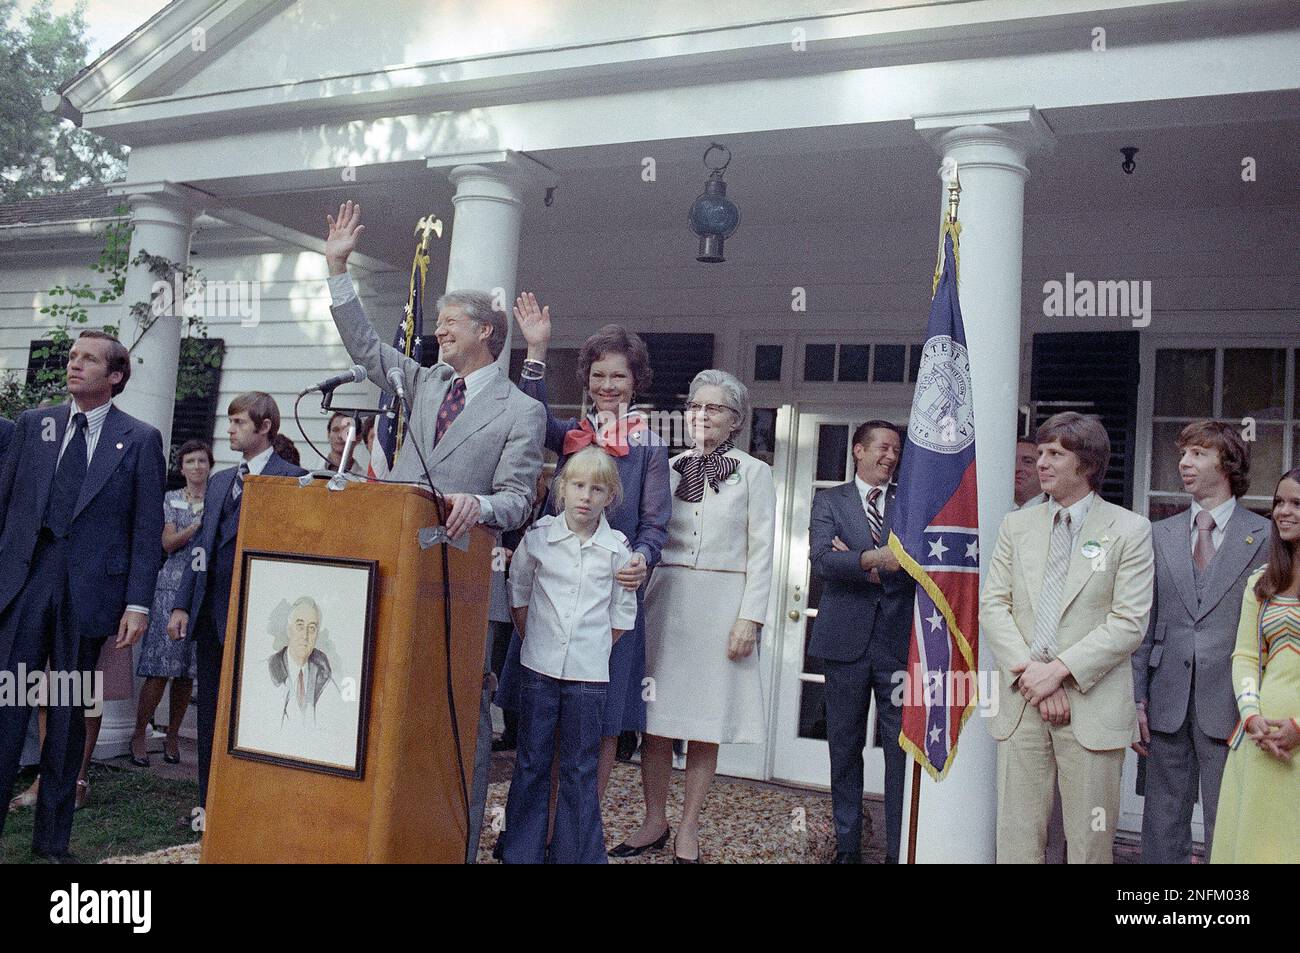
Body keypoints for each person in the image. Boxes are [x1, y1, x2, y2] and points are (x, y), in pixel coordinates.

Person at [322, 200, 545, 863]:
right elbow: (364, 345)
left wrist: (478, 504)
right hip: (390, 569)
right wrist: (337, 267)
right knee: (380, 699)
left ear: (485, 332)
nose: (439, 329)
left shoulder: (521, 411)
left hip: (458, 585)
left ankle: (455, 840)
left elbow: (516, 501)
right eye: (439, 320)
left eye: (451, 321)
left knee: (455, 718)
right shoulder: (419, 382)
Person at [0, 329, 165, 862]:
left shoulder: (139, 439)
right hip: (26, 585)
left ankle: (51, 843)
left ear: (114, 376)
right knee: (7, 709)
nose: (74, 366)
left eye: (88, 360)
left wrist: (138, 604)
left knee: (68, 718)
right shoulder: (35, 424)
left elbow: (146, 530)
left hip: (88, 597)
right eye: (72, 357)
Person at [505, 293, 671, 802]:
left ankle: (580, 825)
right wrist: (536, 350)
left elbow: (655, 524)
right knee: (543, 713)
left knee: (601, 722)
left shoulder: (650, 442)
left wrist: (643, 558)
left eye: (617, 376)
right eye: (598, 376)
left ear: (635, 381)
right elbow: (528, 415)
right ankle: (541, 820)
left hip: (611, 597)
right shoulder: (571, 435)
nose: (607, 386)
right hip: (556, 589)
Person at [980, 411, 1154, 864]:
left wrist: (1058, 673)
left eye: (1056, 454)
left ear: (1088, 465)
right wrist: (1032, 677)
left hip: (1092, 707)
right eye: (1040, 453)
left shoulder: (1129, 530)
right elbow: (993, 606)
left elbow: (1128, 622)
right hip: (1023, 703)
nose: (1041, 463)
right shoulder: (1016, 527)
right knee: (1017, 839)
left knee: (1089, 843)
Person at [629, 370, 775, 863]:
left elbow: (763, 552)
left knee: (705, 720)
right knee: (656, 718)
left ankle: (688, 827)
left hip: (723, 602)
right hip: (666, 600)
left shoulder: (755, 472)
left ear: (734, 421)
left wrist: (750, 618)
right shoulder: (664, 467)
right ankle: (654, 819)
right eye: (695, 406)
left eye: (713, 408)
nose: (702, 415)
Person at [1132, 421, 1269, 863]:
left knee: (1227, 822)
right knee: (1161, 825)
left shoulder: (1265, 538)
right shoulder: (1159, 533)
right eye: (1183, 454)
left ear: (1226, 463)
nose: (1184, 463)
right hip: (1165, 699)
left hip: (1232, 706)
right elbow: (1143, 624)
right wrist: (1136, 699)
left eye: (1197, 454)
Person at [168, 393, 306, 811]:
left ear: (265, 427)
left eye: (239, 422)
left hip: (261, 622)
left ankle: (252, 807)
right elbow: (201, 550)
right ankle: (209, 807)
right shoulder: (222, 481)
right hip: (211, 617)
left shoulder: (293, 479)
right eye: (229, 422)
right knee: (210, 713)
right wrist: (182, 605)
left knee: (258, 716)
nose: (229, 430)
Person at [503, 447, 638, 864]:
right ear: (562, 490)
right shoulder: (539, 538)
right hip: (538, 669)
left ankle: (575, 855)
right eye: (578, 486)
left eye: (596, 489)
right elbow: (519, 592)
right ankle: (521, 852)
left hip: (588, 675)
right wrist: (537, 640)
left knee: (580, 768)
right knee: (531, 761)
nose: (586, 497)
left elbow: (620, 614)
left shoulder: (617, 550)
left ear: (609, 496)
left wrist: (589, 647)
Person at [806, 420, 914, 864]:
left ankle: (897, 851)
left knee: (899, 752)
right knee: (844, 747)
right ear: (858, 450)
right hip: (843, 643)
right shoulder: (829, 500)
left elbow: (918, 564)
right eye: (882, 448)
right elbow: (821, 561)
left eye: (895, 451)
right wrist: (874, 558)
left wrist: (851, 558)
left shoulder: (910, 501)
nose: (890, 457)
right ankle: (847, 850)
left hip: (898, 643)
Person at [1211, 467, 1300, 863]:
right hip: (1261, 742)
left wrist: (1297, 727)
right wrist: (1251, 716)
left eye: (1297, 503)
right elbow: (1245, 655)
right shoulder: (1262, 583)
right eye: (1279, 502)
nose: (1284, 511)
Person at [130, 439, 213, 768]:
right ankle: (140, 731)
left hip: (200, 589)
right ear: (182, 469)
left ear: (209, 465)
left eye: (202, 461)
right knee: (160, 669)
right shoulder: (171, 500)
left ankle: (174, 733)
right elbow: (166, 542)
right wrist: (196, 527)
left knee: (186, 673)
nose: (196, 467)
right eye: (190, 462)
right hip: (169, 587)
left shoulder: (216, 499)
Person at [1014, 434, 1063, 862]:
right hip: (1008, 675)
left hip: (1054, 682)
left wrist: (1046, 675)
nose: (1023, 468)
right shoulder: (1004, 518)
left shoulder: (1062, 524)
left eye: (1032, 460)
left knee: (1054, 805)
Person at [266, 596, 342, 733]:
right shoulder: (265, 673)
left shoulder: (325, 679)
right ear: (289, 629)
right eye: (300, 626)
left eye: (311, 628)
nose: (305, 636)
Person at [324, 411, 364, 475]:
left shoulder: (365, 480)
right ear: (328, 435)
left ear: (358, 438)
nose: (340, 436)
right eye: (335, 430)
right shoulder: (308, 472)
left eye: (347, 431)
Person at [1015, 436, 1047, 509]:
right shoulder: (986, 509)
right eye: (1012, 461)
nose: (1017, 468)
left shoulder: (1059, 514)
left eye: (1028, 461)